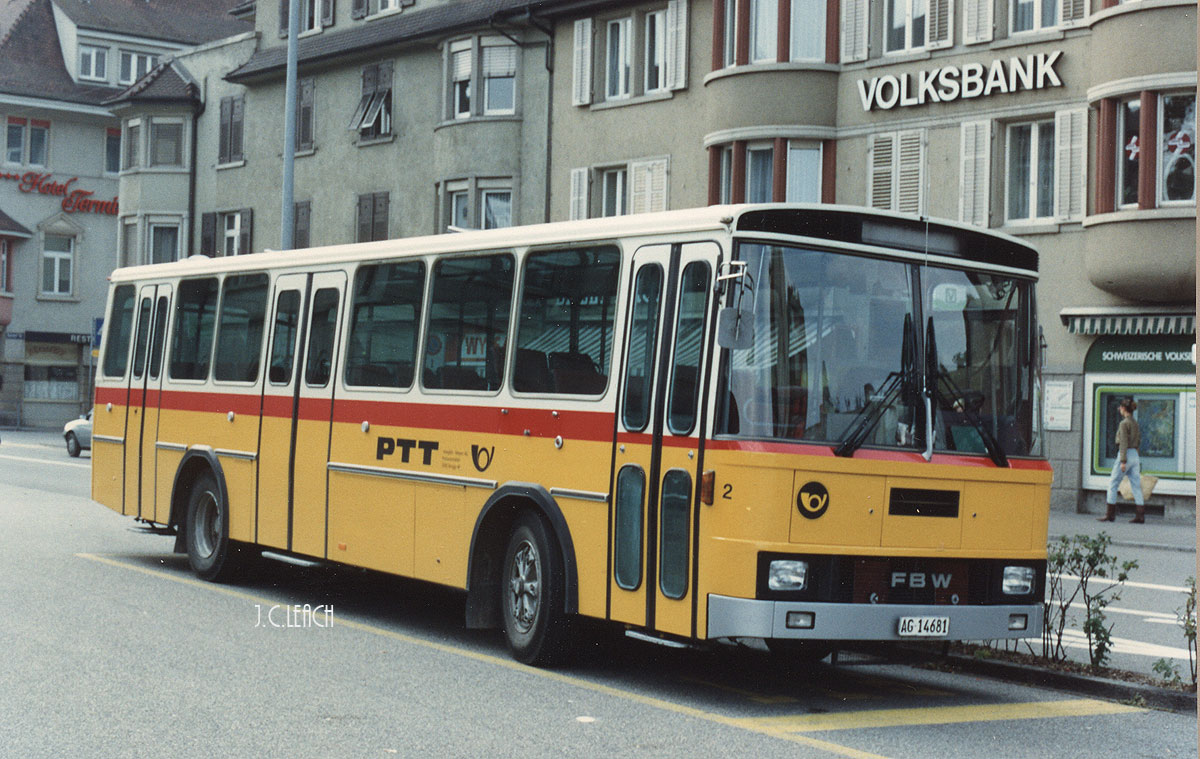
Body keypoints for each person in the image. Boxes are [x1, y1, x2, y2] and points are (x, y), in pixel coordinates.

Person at [1099, 398, 1144, 523]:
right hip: (1135, 454)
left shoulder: (1124, 424)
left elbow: (1123, 442)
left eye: (1120, 407)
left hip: (1126, 454)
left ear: (1123, 409)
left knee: (1113, 484)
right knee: (1136, 485)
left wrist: (1123, 461)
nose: (1119, 409)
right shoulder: (1135, 423)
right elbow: (1138, 440)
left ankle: (1110, 514)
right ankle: (1140, 515)